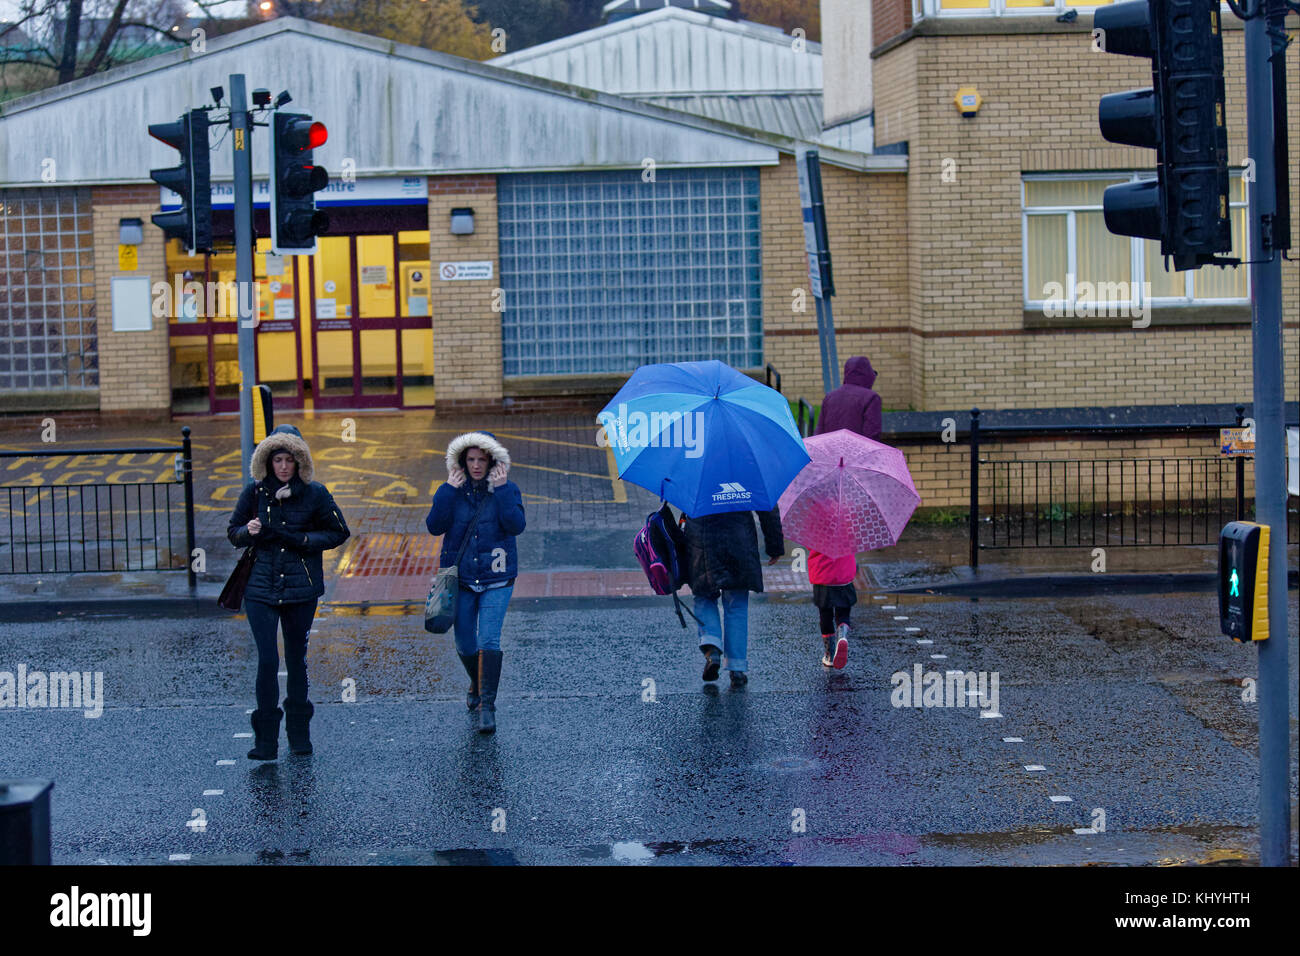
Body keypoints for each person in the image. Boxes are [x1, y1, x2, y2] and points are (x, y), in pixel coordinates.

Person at [227, 424, 350, 760]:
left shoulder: (316, 494)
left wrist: (307, 541)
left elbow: (339, 532)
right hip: (260, 588)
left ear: (299, 462)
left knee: (296, 660)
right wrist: (246, 531)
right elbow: (233, 531)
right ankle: (265, 742)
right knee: (268, 659)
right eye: (277, 459)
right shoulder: (254, 492)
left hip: (300, 588)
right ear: (268, 461)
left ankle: (299, 736)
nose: (283, 466)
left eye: (289, 460)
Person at [426, 431, 526, 734]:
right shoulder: (451, 491)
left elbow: (516, 525)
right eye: (470, 459)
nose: (476, 465)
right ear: (461, 461)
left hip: (498, 578)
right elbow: (434, 527)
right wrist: (446, 490)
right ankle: (476, 681)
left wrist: (504, 488)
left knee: (488, 641)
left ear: (493, 461)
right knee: (465, 643)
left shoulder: (507, 489)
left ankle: (487, 705)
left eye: (482, 459)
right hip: (463, 580)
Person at [683, 507, 783, 687]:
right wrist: (774, 545)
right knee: (736, 604)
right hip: (739, 538)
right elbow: (768, 508)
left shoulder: (691, 477)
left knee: (704, 596)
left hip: (701, 539)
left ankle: (711, 645)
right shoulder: (749, 477)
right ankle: (737, 668)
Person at [815, 355, 883, 441]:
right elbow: (872, 435)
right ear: (868, 376)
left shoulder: (830, 397)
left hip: (832, 451)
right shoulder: (871, 398)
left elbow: (820, 432)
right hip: (859, 452)